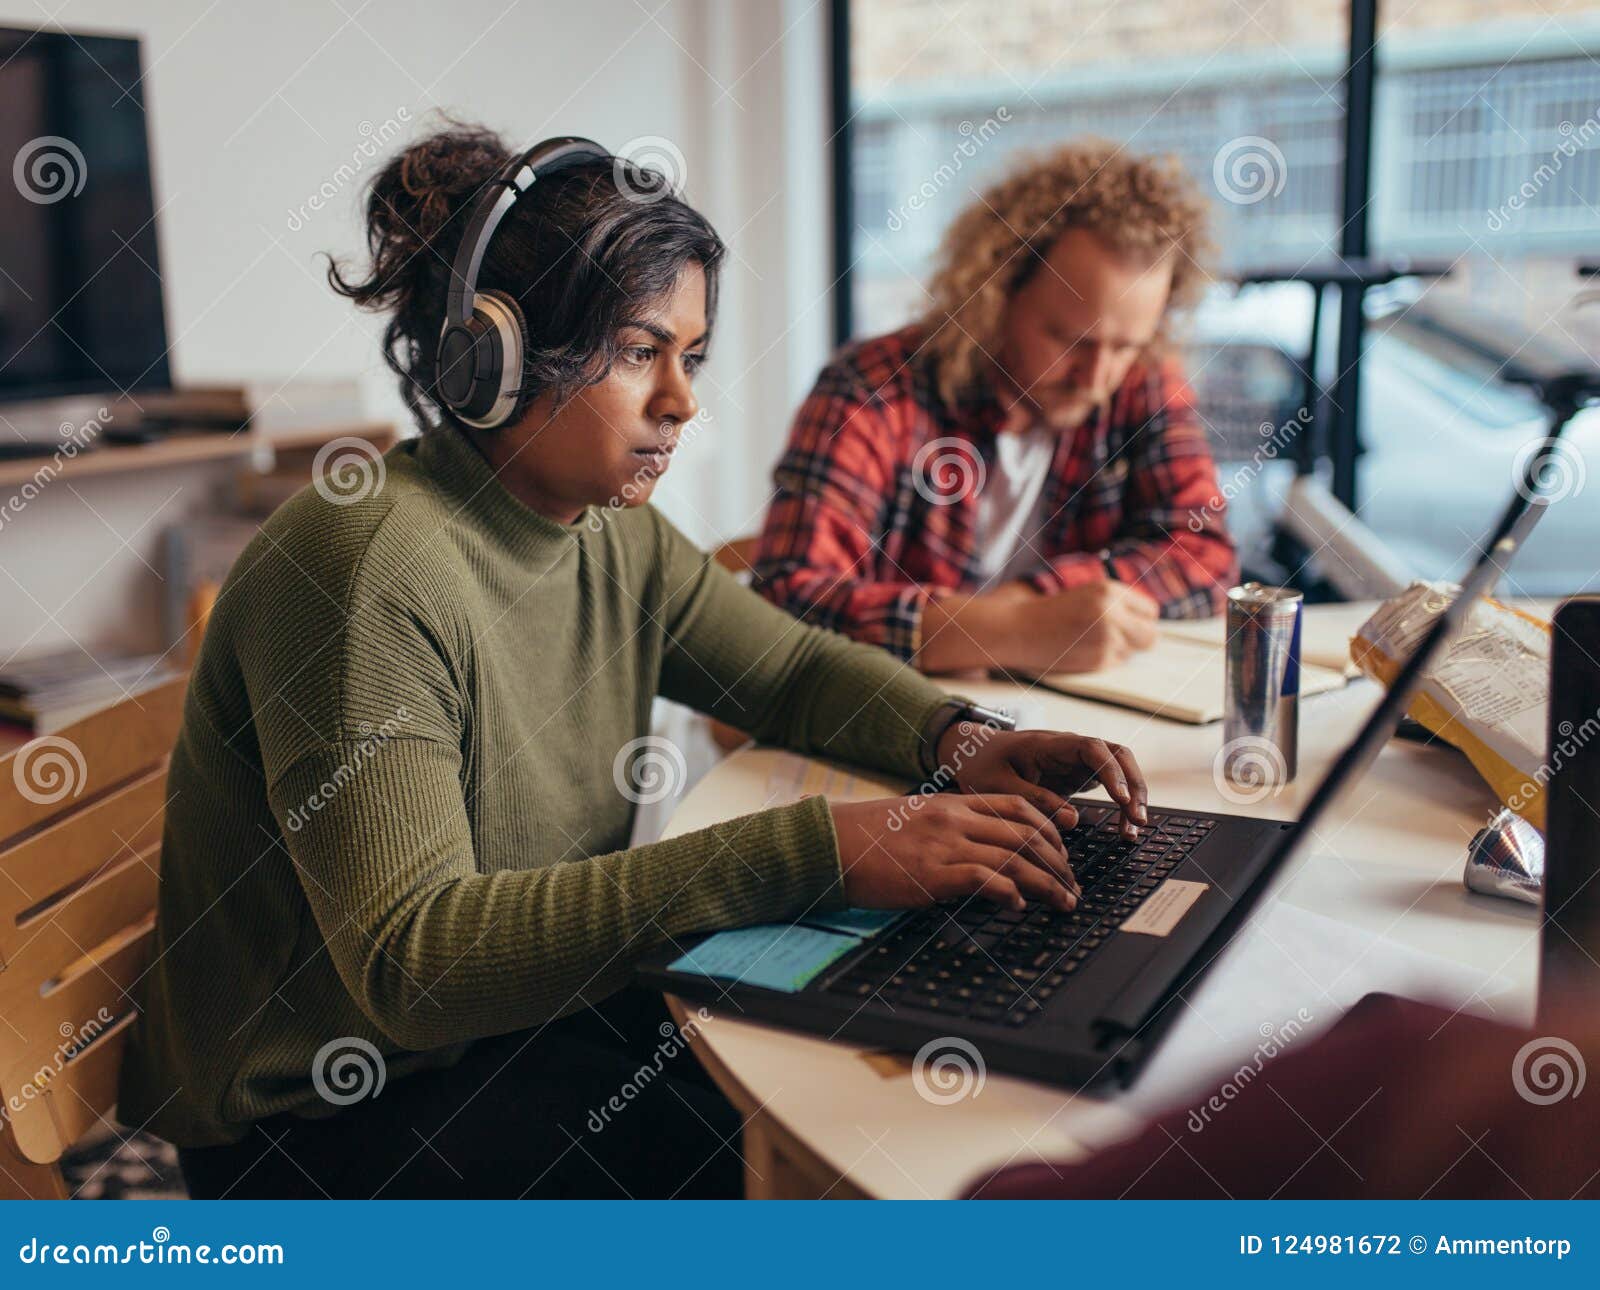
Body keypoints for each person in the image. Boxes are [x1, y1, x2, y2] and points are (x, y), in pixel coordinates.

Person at [117, 119, 1152, 1200]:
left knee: (821, 1077)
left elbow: (790, 672)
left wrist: (960, 739)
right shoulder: (366, 568)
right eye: (637, 351)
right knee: (776, 1177)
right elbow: (413, 966)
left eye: (691, 356)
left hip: (516, 1018)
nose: (683, 401)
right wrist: (817, 851)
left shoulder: (606, 526)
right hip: (324, 1115)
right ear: (495, 354)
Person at [752, 139, 1238, 677]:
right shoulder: (873, 391)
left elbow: (1204, 554)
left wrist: (1043, 599)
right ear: (996, 293)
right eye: (1069, 339)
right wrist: (1008, 630)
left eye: (1124, 346)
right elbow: (785, 609)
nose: (1097, 378)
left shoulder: (1143, 380)